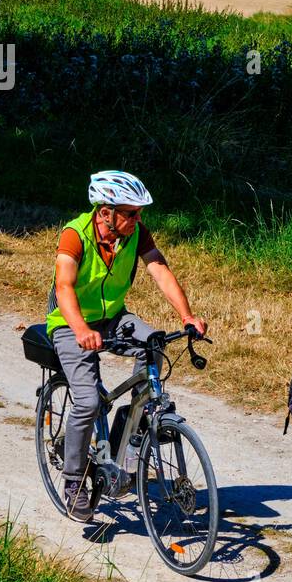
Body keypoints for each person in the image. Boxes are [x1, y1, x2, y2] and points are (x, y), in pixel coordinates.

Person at [46, 170, 207, 523]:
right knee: (87, 401)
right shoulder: (75, 235)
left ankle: (133, 419)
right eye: (131, 213)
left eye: (139, 213)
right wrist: (81, 330)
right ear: (106, 212)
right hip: (71, 323)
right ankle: (74, 482)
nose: (138, 219)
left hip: (114, 317)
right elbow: (64, 288)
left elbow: (160, 270)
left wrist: (188, 316)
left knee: (154, 343)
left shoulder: (134, 234)